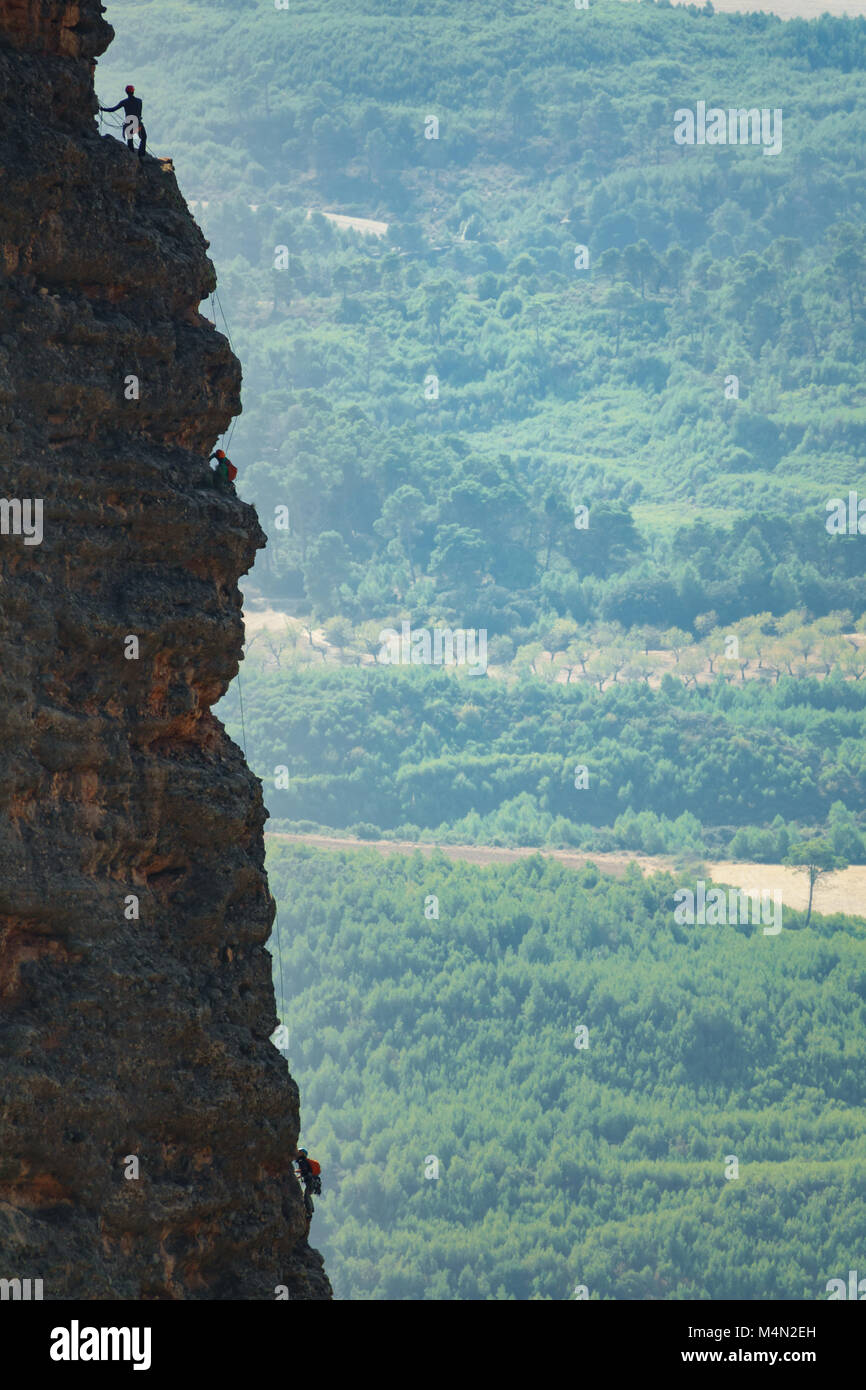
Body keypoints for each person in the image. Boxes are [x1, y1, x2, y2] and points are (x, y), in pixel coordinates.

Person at [100, 85, 147, 159]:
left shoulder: (124, 102)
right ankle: (141, 154)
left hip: (128, 123)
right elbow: (139, 112)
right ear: (133, 91)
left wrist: (103, 109)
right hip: (137, 122)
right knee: (143, 137)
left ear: (126, 92)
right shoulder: (139, 101)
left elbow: (113, 109)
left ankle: (132, 155)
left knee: (130, 139)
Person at [295, 1148, 322, 1217]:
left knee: (306, 1195)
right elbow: (305, 1171)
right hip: (313, 1180)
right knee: (307, 1194)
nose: (298, 1153)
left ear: (303, 1154)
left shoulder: (302, 1161)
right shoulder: (304, 1161)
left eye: (299, 1152)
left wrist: (295, 1174)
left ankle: (309, 1213)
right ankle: (311, 1209)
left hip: (310, 1181)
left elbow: (304, 1171)